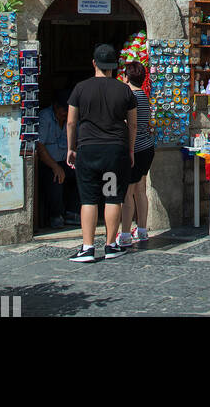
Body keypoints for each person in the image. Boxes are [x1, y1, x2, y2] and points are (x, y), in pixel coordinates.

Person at [66, 43, 138, 263]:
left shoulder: (80, 88)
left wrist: (71, 147)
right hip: (114, 151)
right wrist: (131, 150)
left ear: (94, 63)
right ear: (114, 67)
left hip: (88, 150)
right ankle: (110, 245)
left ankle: (88, 248)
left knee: (88, 199)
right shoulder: (124, 90)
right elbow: (133, 124)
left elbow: (71, 122)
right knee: (112, 197)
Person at [118, 60, 155, 247]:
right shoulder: (143, 96)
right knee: (141, 190)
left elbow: (130, 124)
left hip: (135, 148)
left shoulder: (128, 97)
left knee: (128, 193)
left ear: (126, 77)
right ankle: (142, 230)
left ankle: (124, 233)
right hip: (147, 147)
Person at [37, 89, 79, 228]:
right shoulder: (45, 117)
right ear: (55, 106)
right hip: (50, 163)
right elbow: (40, 146)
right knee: (55, 177)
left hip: (66, 160)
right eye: (62, 109)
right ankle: (56, 215)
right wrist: (55, 166)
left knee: (82, 174)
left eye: (67, 109)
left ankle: (72, 212)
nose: (65, 113)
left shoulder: (72, 117)